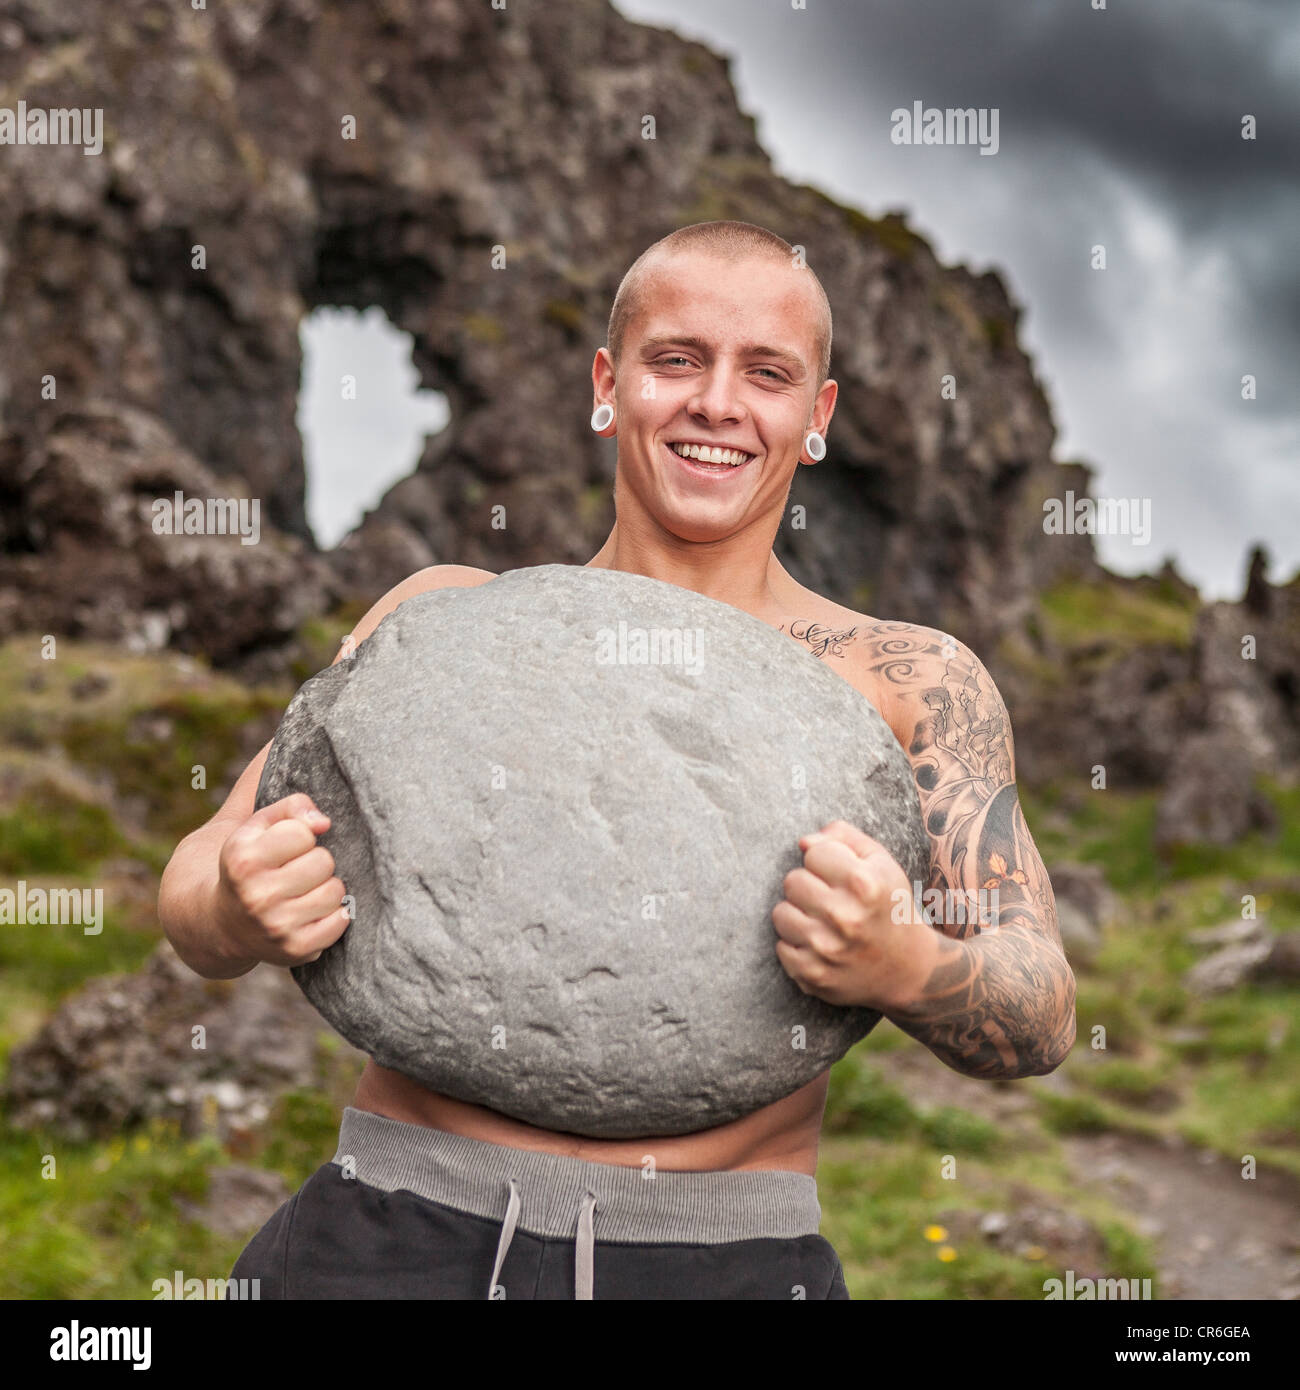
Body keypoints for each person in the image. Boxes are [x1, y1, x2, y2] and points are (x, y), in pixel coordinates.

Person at [157, 220, 1076, 1300]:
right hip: (391, 1233)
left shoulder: (907, 683)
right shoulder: (445, 623)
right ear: (609, 383)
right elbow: (196, 878)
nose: (717, 405)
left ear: (816, 417)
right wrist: (234, 901)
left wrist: (903, 962)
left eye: (767, 374)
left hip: (717, 1261)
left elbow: (1044, 1006)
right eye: (676, 359)